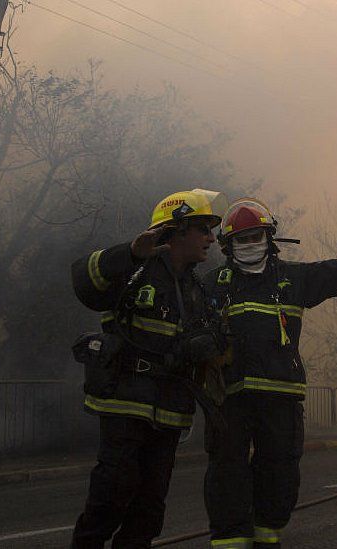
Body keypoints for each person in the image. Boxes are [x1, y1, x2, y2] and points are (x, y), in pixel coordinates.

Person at [203, 197, 337, 548]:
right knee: (227, 475)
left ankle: (267, 537)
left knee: (281, 472)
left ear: (270, 239)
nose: (249, 245)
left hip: (282, 399)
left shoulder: (293, 279)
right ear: (228, 246)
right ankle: (230, 541)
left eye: (256, 237)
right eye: (242, 240)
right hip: (229, 400)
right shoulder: (212, 285)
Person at [69, 189, 225, 548]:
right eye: (204, 229)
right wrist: (130, 253)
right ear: (178, 229)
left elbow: (211, 343)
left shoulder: (197, 289)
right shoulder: (134, 270)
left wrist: (210, 344)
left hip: (170, 410)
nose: (211, 239)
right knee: (111, 495)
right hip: (126, 404)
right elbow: (84, 280)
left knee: (150, 510)